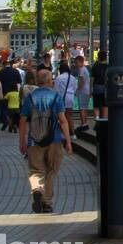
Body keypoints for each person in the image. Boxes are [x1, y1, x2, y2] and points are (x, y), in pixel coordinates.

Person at [19, 69, 73, 213]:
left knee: (36, 170)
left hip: (34, 140)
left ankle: (37, 189)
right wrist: (68, 141)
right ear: (50, 82)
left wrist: (22, 142)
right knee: (51, 171)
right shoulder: (56, 97)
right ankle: (47, 202)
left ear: (37, 81)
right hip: (54, 140)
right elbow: (63, 121)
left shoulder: (30, 98)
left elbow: (23, 121)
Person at [90, 50, 108, 119]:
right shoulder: (108, 67)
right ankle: (104, 122)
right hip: (105, 89)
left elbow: (92, 79)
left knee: (96, 106)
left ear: (98, 57)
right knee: (105, 106)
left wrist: (91, 89)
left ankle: (97, 120)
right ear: (106, 58)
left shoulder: (95, 67)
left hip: (96, 87)